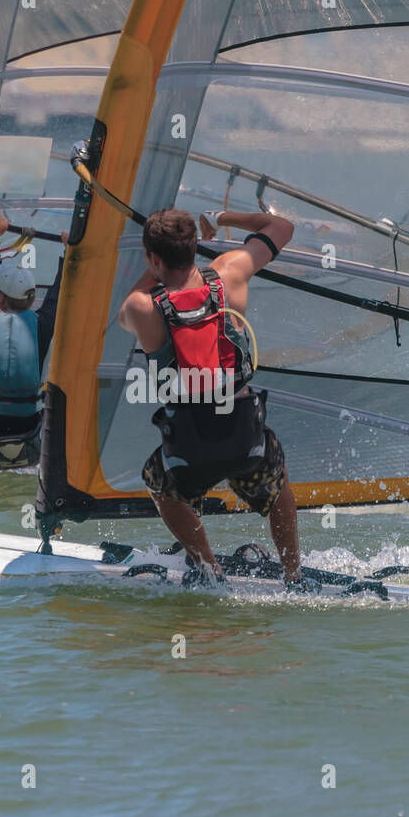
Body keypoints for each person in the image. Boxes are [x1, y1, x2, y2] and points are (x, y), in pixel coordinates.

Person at [117, 206, 318, 591]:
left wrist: (154, 267)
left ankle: (208, 567)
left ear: (154, 257)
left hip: (188, 446)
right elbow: (282, 226)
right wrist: (219, 217)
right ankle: (294, 575)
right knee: (276, 477)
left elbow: (127, 311)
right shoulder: (230, 274)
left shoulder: (142, 307)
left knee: (157, 481)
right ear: (193, 248)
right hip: (242, 432)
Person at [0, 213, 64, 472]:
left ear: (1, 300)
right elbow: (61, 291)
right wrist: (68, 252)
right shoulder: (43, 325)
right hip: (34, 446)